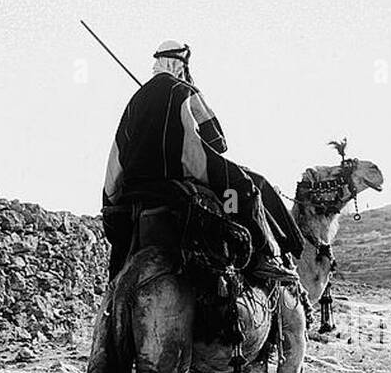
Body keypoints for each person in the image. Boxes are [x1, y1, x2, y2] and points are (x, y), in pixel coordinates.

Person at [100, 40, 304, 280]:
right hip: (180, 174)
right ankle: (260, 255)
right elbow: (218, 142)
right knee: (242, 187)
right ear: (179, 65)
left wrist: (111, 197)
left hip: (135, 186)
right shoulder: (185, 91)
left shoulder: (135, 100)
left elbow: (117, 155)